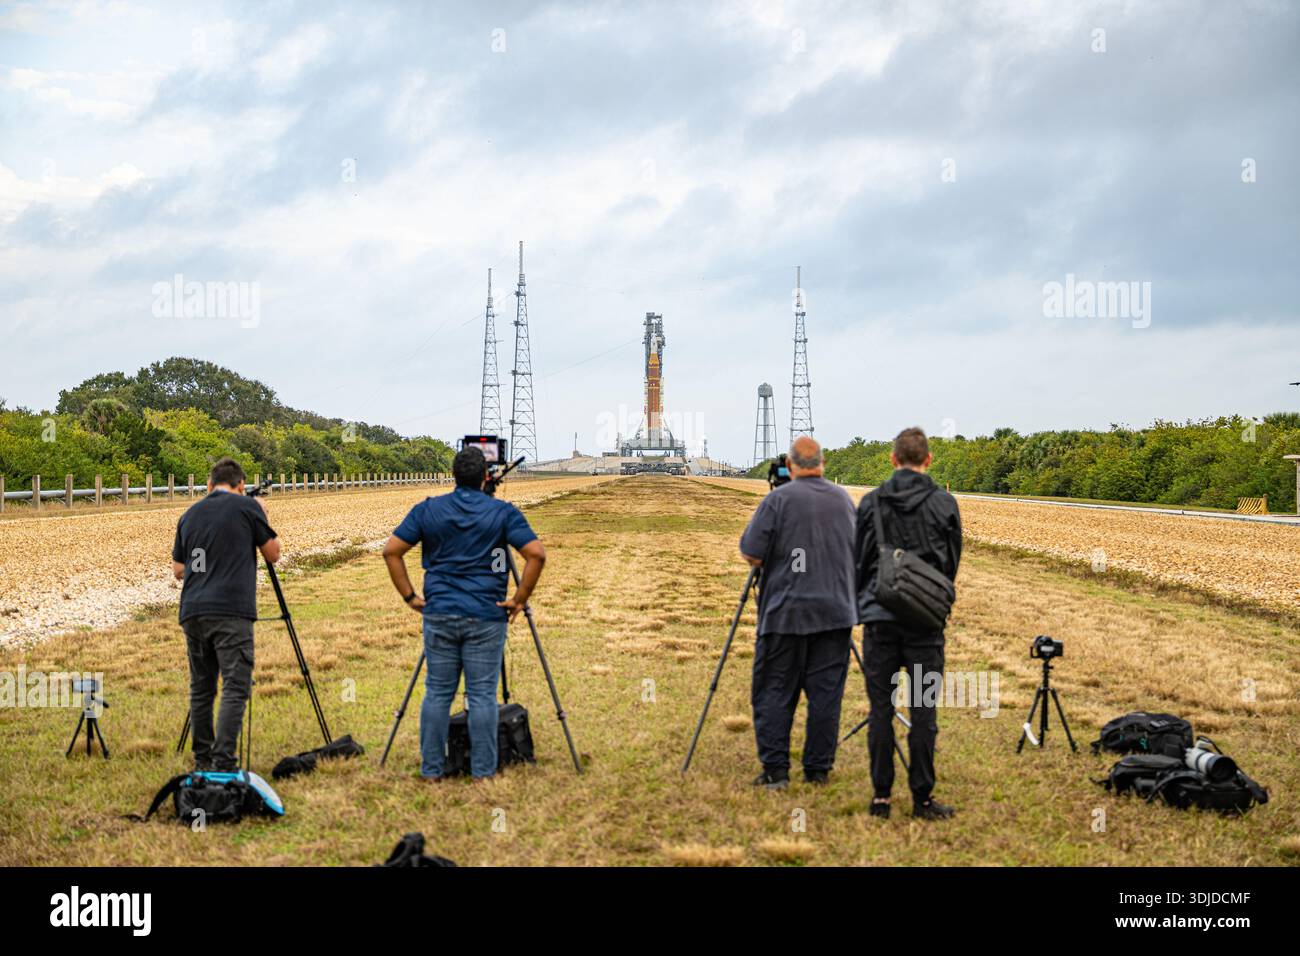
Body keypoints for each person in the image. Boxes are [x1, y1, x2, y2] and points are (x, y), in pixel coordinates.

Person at [382, 446, 546, 782]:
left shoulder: (428, 509)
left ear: (454, 476)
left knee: (437, 693)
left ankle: (431, 770)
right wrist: (519, 599)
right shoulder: (503, 513)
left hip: (439, 612)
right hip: (486, 614)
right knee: (483, 694)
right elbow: (536, 555)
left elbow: (391, 551)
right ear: (486, 477)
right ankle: (483, 772)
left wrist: (411, 597)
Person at [855, 427, 962, 820]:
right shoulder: (944, 503)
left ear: (893, 459)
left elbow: (860, 561)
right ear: (928, 460)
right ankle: (922, 799)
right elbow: (951, 563)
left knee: (880, 710)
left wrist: (865, 601)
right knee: (923, 711)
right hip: (926, 625)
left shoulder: (870, 503)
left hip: (879, 621)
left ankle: (881, 797)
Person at [739, 436, 858, 789]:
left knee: (775, 689)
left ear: (790, 467)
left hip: (785, 613)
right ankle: (818, 769)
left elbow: (752, 553)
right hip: (835, 614)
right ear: (823, 464)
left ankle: (776, 771)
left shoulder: (778, 500)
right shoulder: (843, 500)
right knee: (826, 695)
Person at [171, 457, 280, 772]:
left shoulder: (190, 514)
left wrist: (206, 561)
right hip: (231, 610)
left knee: (202, 687)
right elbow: (272, 554)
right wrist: (262, 513)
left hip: (192, 610)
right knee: (235, 684)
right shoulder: (247, 508)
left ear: (209, 485)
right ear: (241, 485)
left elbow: (179, 570)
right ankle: (224, 761)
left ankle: (203, 760)